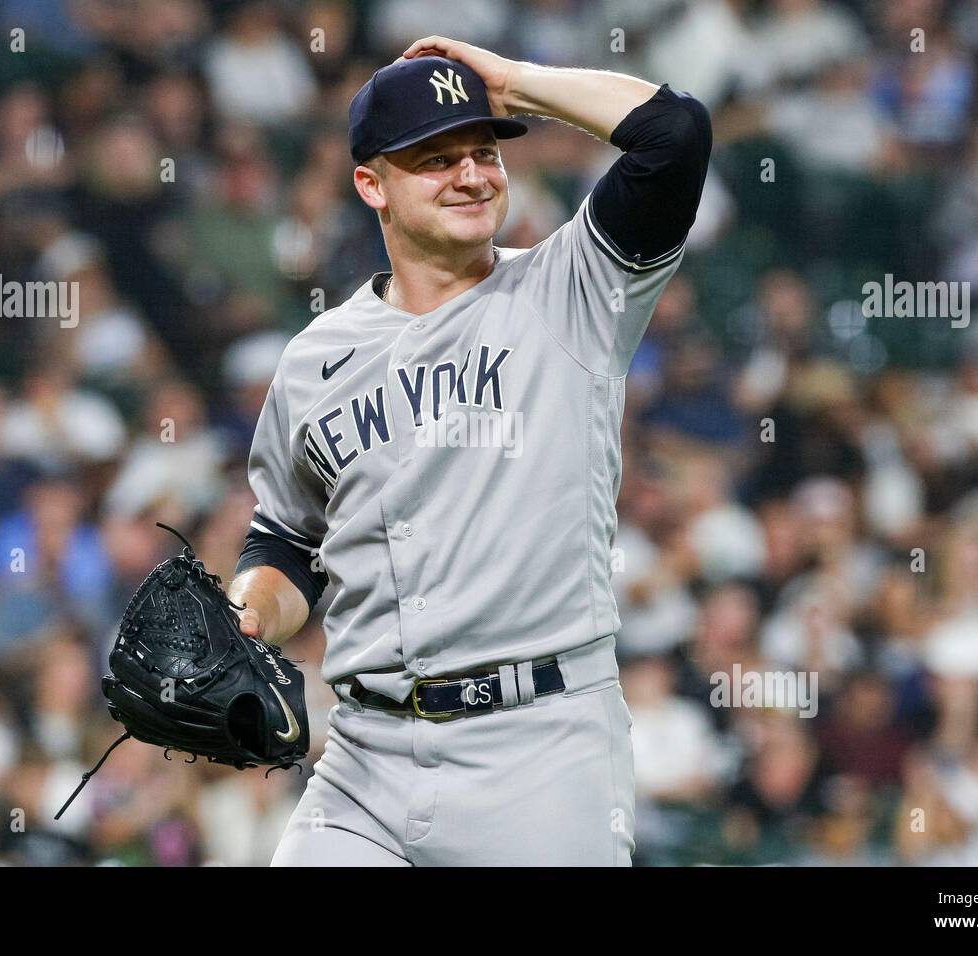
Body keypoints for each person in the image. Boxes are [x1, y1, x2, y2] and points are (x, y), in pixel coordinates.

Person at [227, 35, 711, 866]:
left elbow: (676, 134)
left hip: (543, 750)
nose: (472, 175)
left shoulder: (574, 290)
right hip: (366, 753)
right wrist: (249, 616)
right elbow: (289, 542)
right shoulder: (316, 358)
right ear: (370, 184)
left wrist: (513, 83)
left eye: (485, 151)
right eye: (436, 157)